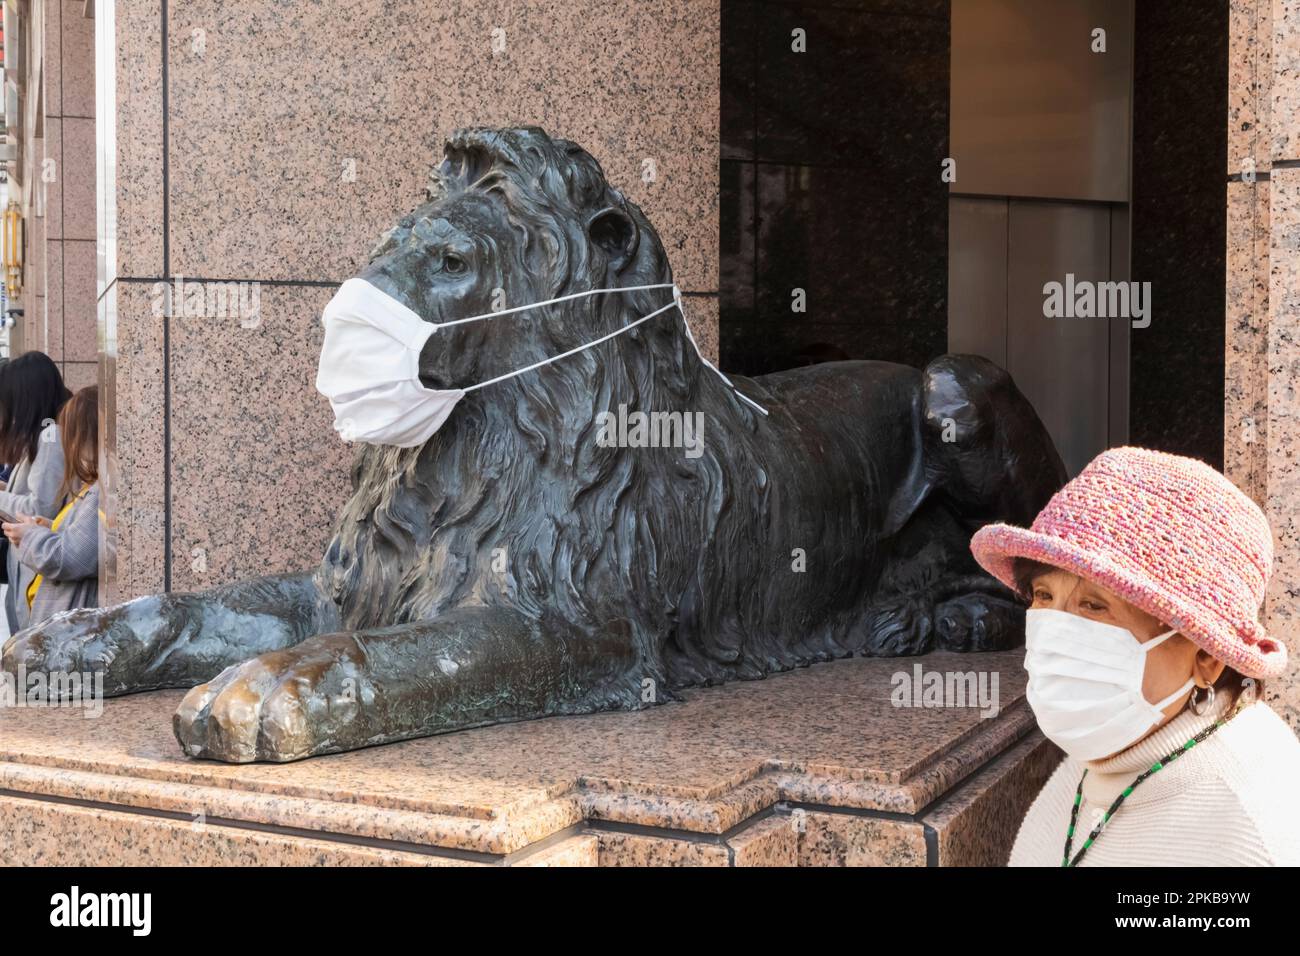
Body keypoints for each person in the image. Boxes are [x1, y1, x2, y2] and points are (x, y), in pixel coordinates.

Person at [970, 446, 1300, 866]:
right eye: (1043, 595)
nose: (1054, 629)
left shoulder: (1246, 831)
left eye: (1094, 605)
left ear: (1207, 658)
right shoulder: (1117, 744)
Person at [3, 386, 100, 627]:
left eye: (72, 438)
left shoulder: (101, 493)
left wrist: (32, 535)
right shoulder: (94, 489)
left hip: (66, 630)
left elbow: (70, 556)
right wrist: (48, 528)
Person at [0, 352, 69, 632]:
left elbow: (40, 511)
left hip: (37, 584)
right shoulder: (42, 437)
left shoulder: (51, 439)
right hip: (28, 577)